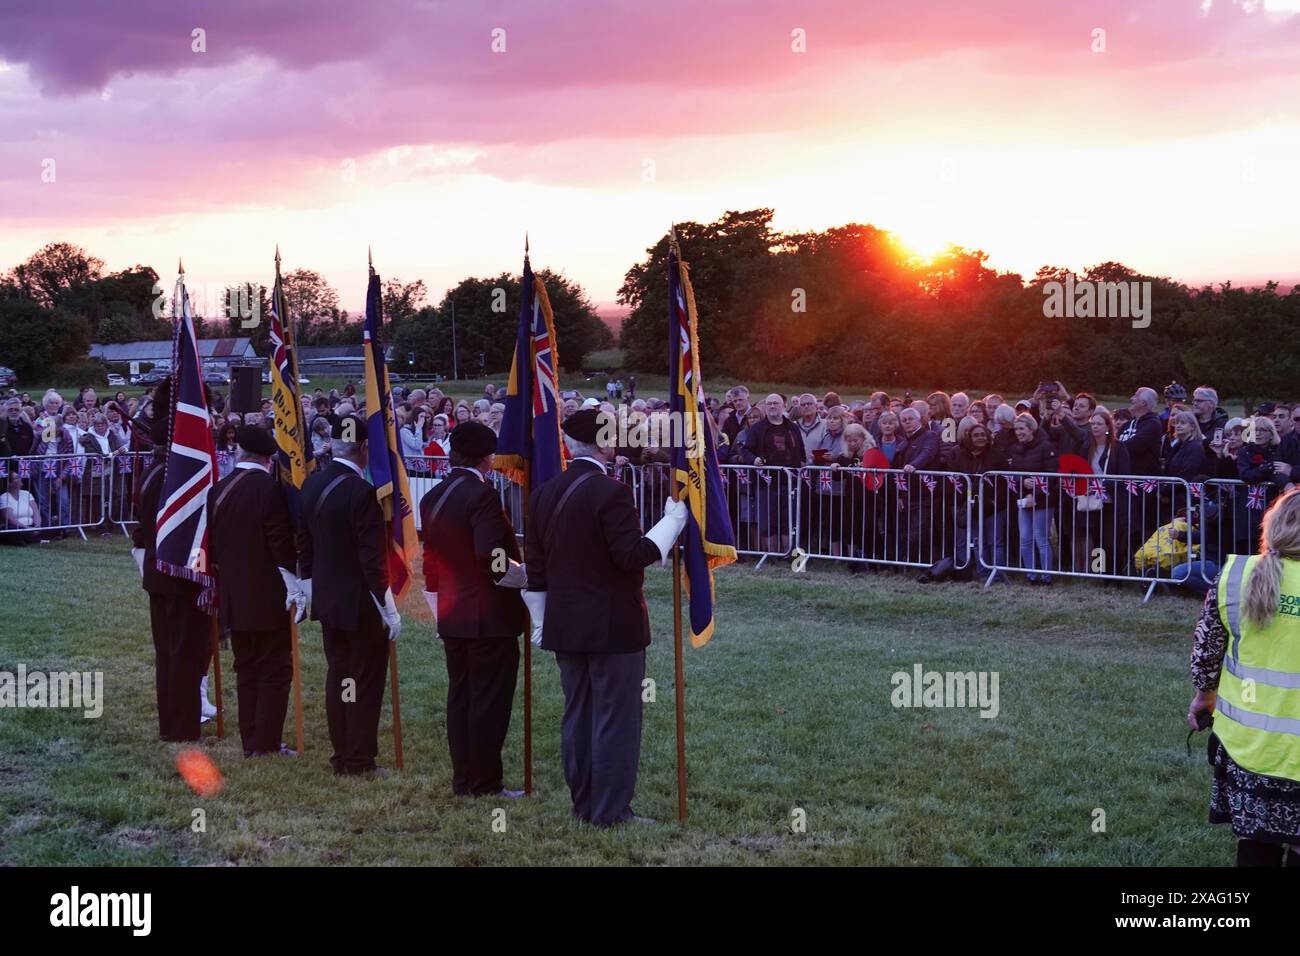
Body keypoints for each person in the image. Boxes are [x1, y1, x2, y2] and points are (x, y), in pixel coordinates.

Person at [523, 408, 687, 826]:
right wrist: (671, 522)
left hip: (565, 623)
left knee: (577, 714)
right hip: (612, 625)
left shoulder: (543, 492)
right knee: (615, 718)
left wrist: (541, 622)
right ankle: (611, 810)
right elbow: (631, 555)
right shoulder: (610, 491)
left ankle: (584, 803)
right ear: (604, 444)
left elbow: (535, 569)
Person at [1188, 488, 1300, 866]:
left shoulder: (1236, 574)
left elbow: (1206, 653)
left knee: (1257, 842)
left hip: (1249, 749)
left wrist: (1204, 696)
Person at [420, 421, 526, 798]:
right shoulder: (482, 496)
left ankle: (464, 776)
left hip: (453, 613)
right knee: (488, 702)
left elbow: (431, 565)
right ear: (488, 457)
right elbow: (492, 559)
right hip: (487, 616)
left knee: (461, 697)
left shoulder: (432, 496)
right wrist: (525, 577)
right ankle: (484, 781)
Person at [298, 413, 402, 776]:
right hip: (360, 604)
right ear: (365, 450)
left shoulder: (311, 484)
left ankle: (342, 752)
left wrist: (308, 593)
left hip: (327, 600)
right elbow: (372, 562)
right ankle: (358, 758)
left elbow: (304, 549)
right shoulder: (362, 493)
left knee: (341, 677)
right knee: (364, 681)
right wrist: (389, 610)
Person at [207, 425, 305, 758]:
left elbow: (215, 548)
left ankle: (252, 740)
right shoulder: (268, 489)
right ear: (268, 457)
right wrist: (296, 580)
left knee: (247, 669)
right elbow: (279, 543)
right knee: (275, 670)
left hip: (235, 595)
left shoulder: (218, 489)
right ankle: (265, 743)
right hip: (267, 595)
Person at [130, 377, 211, 742]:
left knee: (170, 653)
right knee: (184, 654)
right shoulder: (173, 478)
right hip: (180, 577)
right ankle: (181, 727)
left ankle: (174, 724)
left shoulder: (152, 473)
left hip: (160, 576)